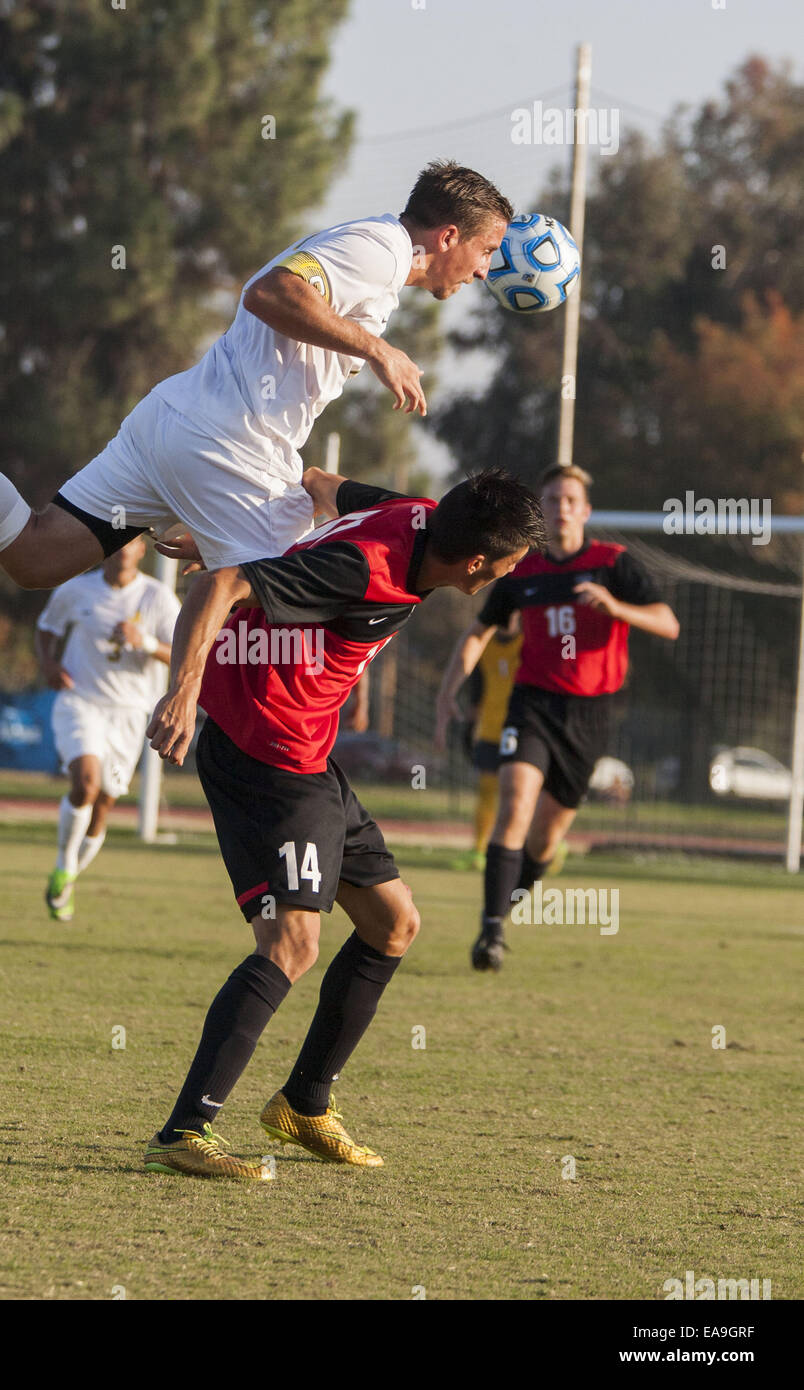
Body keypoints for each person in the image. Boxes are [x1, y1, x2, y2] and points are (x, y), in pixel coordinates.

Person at [0, 161, 511, 579]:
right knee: (289, 596)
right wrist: (378, 349)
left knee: (36, 555)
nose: (485, 270)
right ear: (447, 235)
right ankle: (275, 794)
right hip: (226, 442)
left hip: (179, 423)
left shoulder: (379, 259)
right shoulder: (383, 248)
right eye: (484, 252)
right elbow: (267, 294)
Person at [140, 465, 545, 1180]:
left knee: (393, 923)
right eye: (512, 563)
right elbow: (221, 587)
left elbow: (319, 483)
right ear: (478, 564)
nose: (515, 574)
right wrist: (182, 690)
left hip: (308, 754)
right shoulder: (365, 571)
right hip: (266, 751)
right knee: (292, 943)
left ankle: (304, 1103)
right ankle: (185, 1130)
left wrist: (241, 531)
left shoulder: (421, 516)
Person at [435, 464, 679, 972]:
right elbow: (479, 631)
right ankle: (491, 930)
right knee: (515, 803)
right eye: (551, 499)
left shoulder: (613, 564)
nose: (561, 507)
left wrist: (616, 607)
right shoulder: (523, 570)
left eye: (570, 499)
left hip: (592, 714)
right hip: (533, 705)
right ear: (541, 511)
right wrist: (449, 690)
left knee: (546, 838)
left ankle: (510, 901)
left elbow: (668, 623)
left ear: (585, 511)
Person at [35, 536, 179, 922]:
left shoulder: (157, 597)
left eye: (129, 542)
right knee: (85, 782)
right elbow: (46, 628)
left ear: (141, 550)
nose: (121, 549)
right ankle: (65, 863)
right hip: (80, 701)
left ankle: (67, 879)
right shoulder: (76, 589)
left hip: (131, 713)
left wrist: (144, 641)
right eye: (115, 541)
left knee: (103, 807)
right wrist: (48, 663)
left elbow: (183, 649)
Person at [436, 612, 523, 871]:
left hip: (520, 729)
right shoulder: (485, 645)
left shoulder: (527, 644)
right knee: (486, 790)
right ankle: (479, 850)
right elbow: (478, 688)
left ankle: (527, 845)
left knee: (518, 794)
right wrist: (468, 727)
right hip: (489, 729)